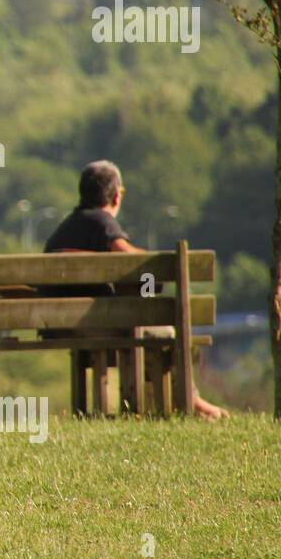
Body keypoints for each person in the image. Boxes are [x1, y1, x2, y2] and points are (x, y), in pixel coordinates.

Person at [44, 160, 229, 420]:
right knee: (164, 332)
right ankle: (190, 401)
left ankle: (173, 403)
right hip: (94, 323)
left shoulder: (67, 227)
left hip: (60, 325)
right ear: (117, 195)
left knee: (146, 331)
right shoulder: (103, 223)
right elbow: (134, 262)